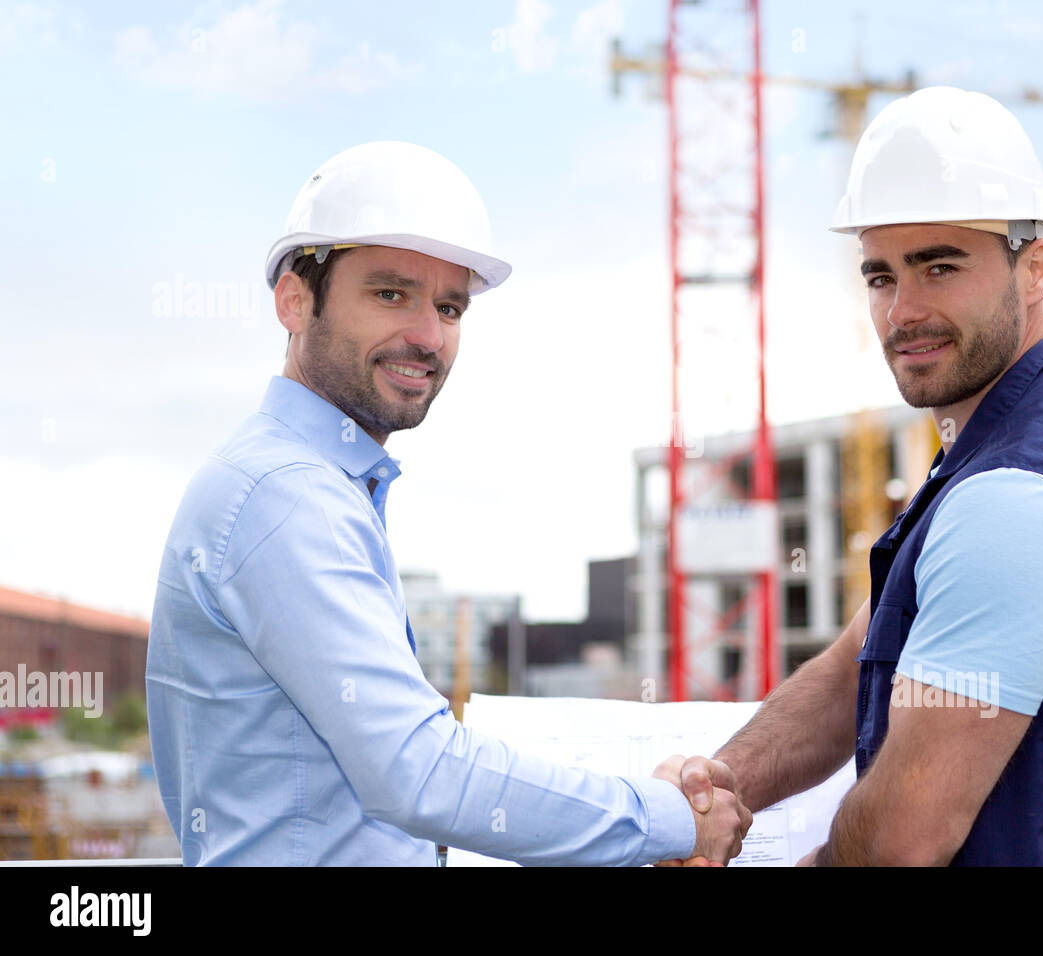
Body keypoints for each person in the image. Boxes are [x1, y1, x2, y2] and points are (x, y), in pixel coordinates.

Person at [144, 141, 751, 866]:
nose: (428, 336)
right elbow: (417, 771)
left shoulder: (310, 484)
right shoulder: (285, 495)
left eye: (450, 306)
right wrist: (668, 820)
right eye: (390, 293)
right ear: (294, 300)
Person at [665, 87, 1043, 866]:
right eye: (881, 277)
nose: (900, 312)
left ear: (1036, 271)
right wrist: (715, 785)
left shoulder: (1017, 499)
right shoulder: (977, 461)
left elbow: (897, 844)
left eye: (939, 266)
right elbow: (851, 669)